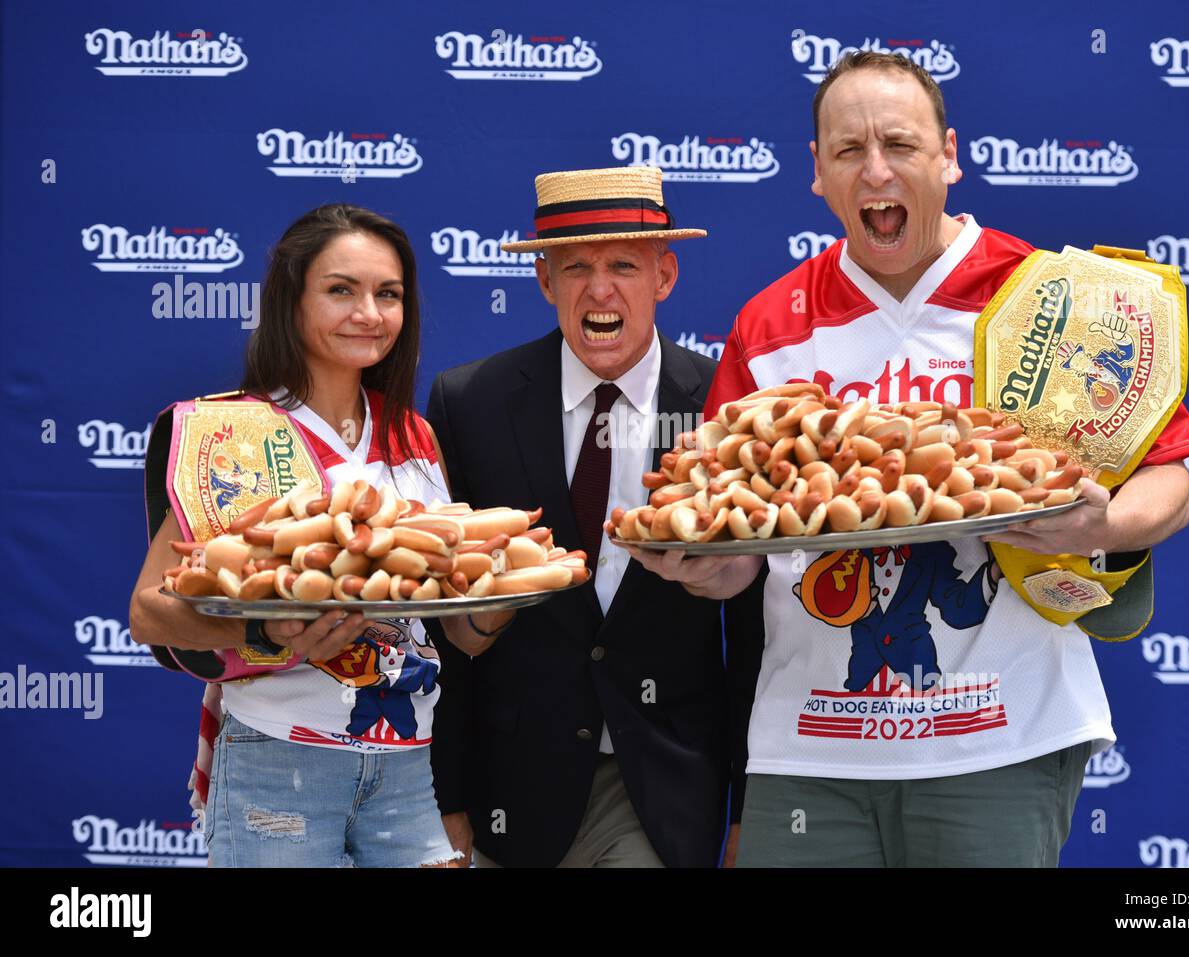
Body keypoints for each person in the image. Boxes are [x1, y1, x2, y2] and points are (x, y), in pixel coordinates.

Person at [622, 52, 1189, 867]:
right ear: (816, 172)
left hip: (1001, 738)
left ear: (950, 155)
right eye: (848, 151)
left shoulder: (1045, 296)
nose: (876, 169)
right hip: (812, 746)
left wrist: (1102, 520)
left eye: (899, 143)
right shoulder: (770, 325)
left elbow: (1171, 479)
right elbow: (740, 547)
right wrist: (704, 568)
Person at [129, 203, 508, 867]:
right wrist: (264, 632)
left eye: (387, 294)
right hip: (282, 757)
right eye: (341, 290)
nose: (369, 312)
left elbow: (463, 632)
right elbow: (148, 611)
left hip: (411, 764)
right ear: (290, 299)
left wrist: (501, 589)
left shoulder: (413, 436)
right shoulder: (234, 432)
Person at [425, 166, 764, 867]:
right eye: (575, 266)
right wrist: (447, 796)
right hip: (511, 792)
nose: (599, 288)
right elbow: (444, 621)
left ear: (664, 276)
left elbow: (754, 631)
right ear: (544, 282)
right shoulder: (472, 402)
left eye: (622, 265)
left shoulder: (723, 406)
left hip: (664, 792)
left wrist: (747, 808)